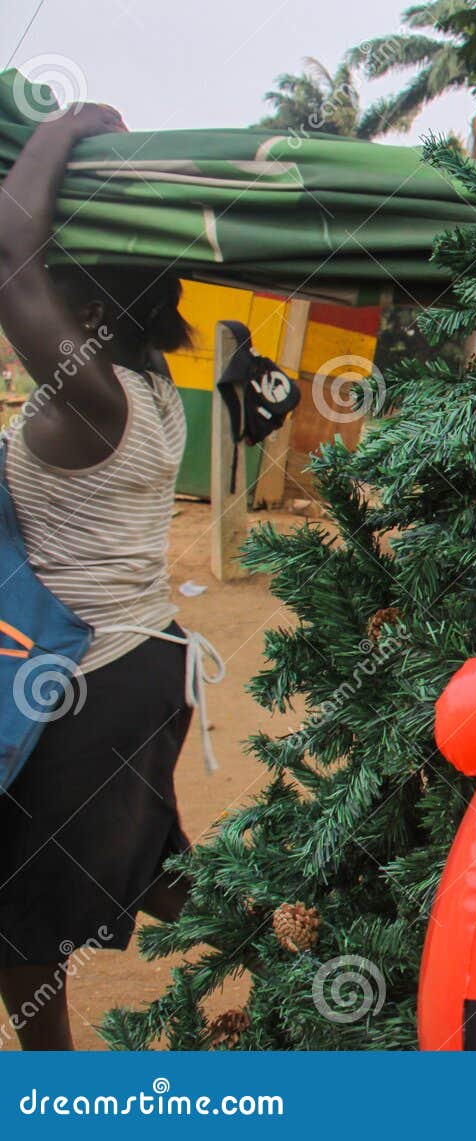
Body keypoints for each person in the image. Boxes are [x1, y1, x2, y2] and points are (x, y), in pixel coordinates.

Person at [0, 104, 214, 1050]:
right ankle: (306, 928)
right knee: (149, 866)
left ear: (85, 316)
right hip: (141, 670)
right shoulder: (149, 390)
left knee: (21, 923)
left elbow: (9, 243)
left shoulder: (90, 396)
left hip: (80, 684)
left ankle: (50, 1087)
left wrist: (72, 122)